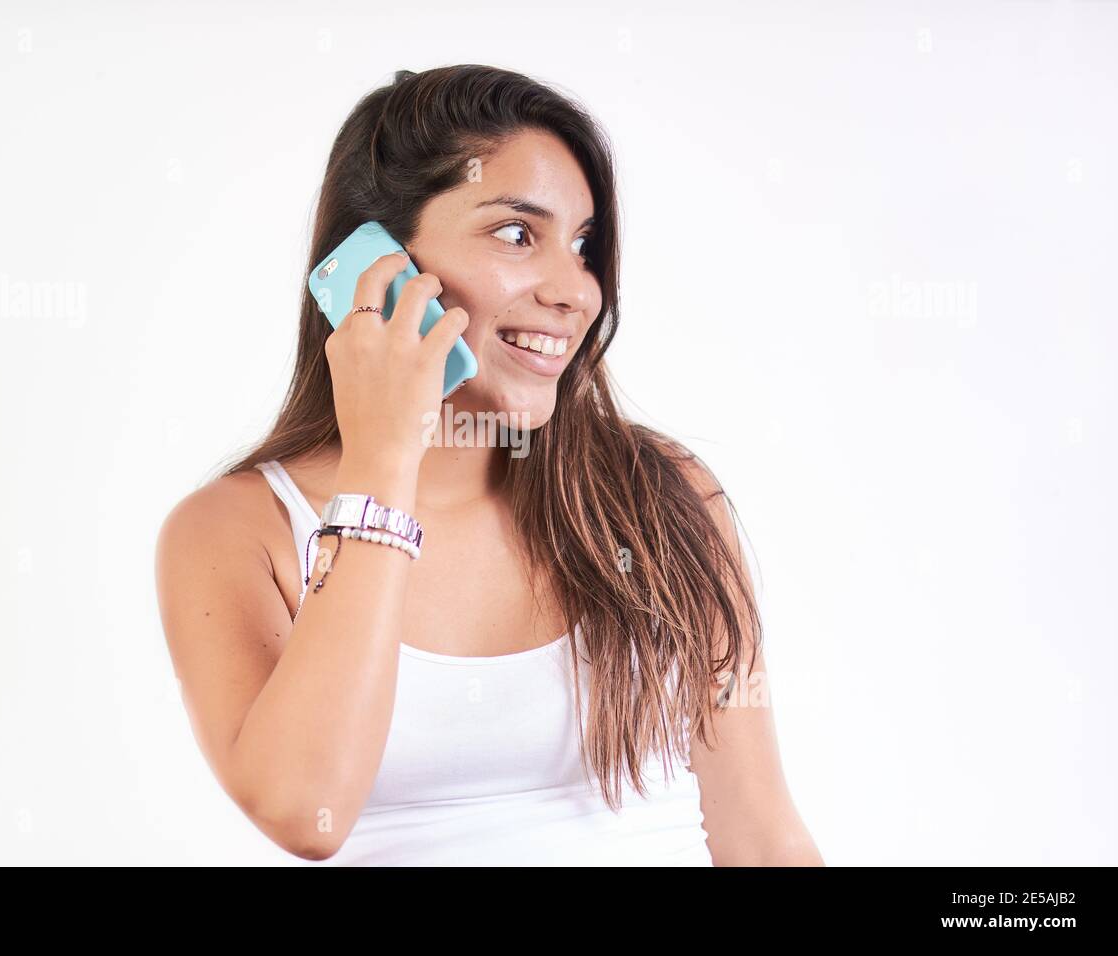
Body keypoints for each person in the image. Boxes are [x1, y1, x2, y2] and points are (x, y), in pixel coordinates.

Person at [155, 64, 823, 866]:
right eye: (516, 233)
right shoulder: (237, 531)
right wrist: (383, 458)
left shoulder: (663, 497)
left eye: (582, 245)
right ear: (380, 264)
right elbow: (309, 811)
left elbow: (762, 836)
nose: (576, 290)